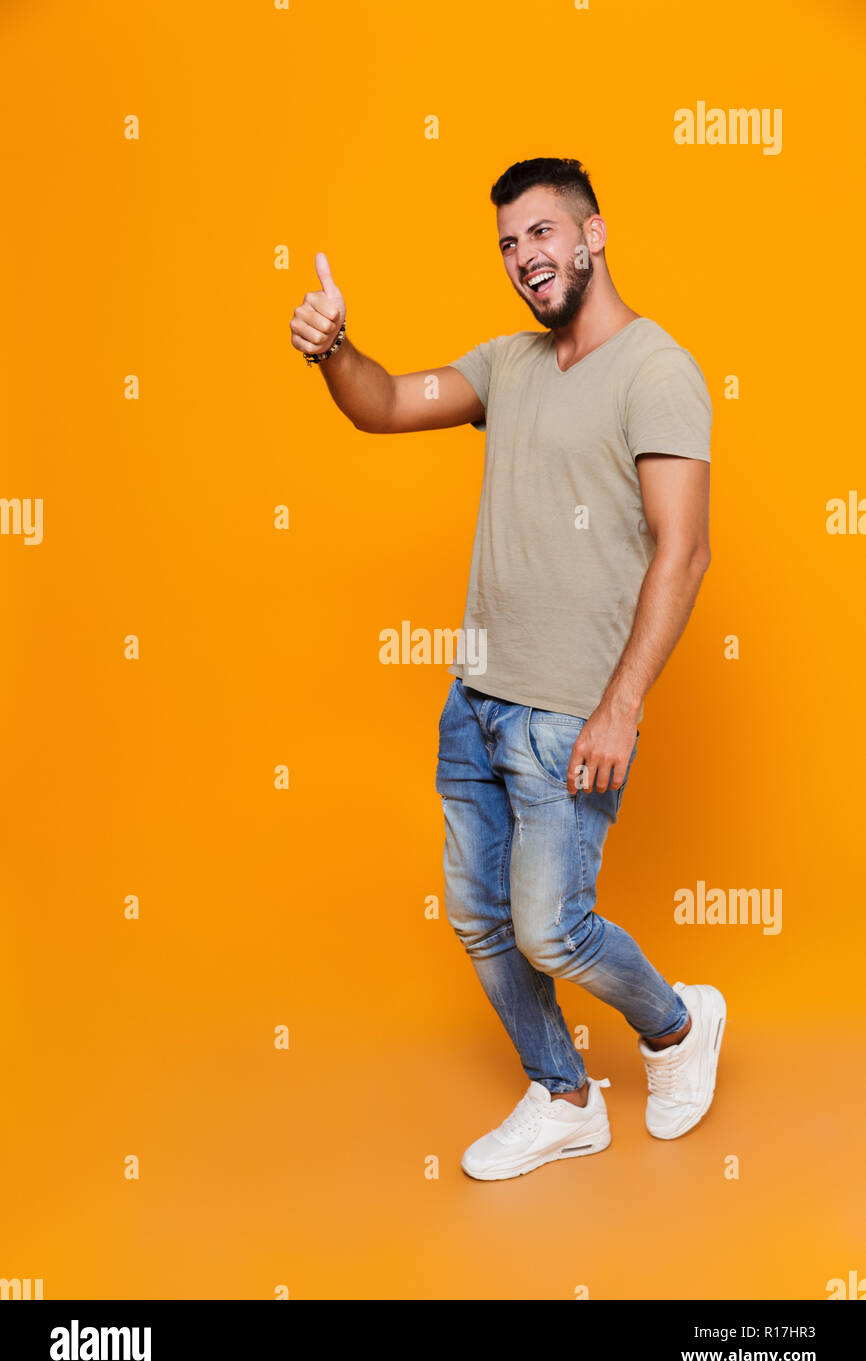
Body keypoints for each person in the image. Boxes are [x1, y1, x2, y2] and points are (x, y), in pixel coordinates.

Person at [290, 156, 726, 1182]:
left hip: (571, 712)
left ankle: (672, 1027)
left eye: (540, 232)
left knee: (551, 929)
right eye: (507, 244)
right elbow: (388, 402)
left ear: (592, 234)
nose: (525, 257)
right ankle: (563, 1095)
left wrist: (619, 710)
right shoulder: (507, 363)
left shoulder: (657, 369)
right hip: (475, 698)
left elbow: (684, 548)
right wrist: (335, 351)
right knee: (482, 921)